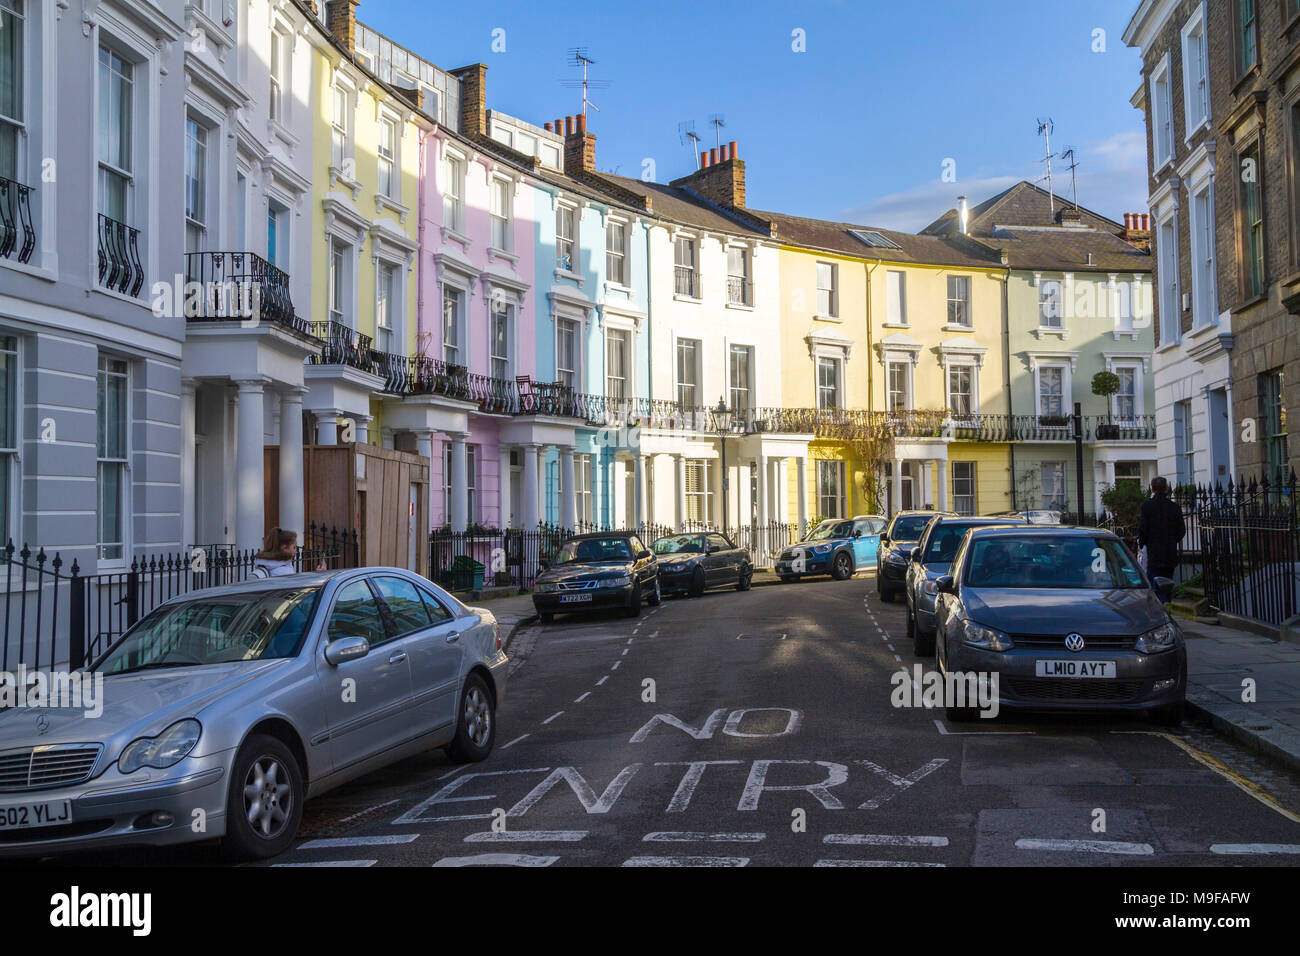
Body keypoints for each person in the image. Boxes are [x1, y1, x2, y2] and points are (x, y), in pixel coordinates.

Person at [1138, 476, 1185, 581]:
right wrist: (1172, 540)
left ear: (1152, 489)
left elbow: (1143, 529)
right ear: (1166, 488)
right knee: (1167, 584)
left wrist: (1143, 543)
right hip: (1170, 554)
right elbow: (1181, 530)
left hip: (1153, 554)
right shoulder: (1174, 507)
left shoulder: (1147, 506)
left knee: (1154, 584)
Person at [251, 528, 324, 578]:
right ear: (284, 548)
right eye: (294, 547)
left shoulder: (268, 564)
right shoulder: (283, 571)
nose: (296, 551)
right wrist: (318, 575)